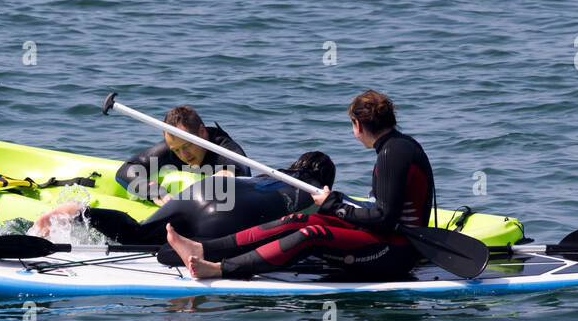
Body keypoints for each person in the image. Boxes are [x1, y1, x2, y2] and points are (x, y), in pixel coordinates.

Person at [166, 90, 435, 280]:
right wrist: (336, 202)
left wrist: (333, 206)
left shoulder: (392, 154)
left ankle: (218, 269)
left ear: (358, 125)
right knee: (295, 220)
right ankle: (203, 249)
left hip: (397, 251)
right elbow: (384, 211)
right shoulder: (399, 147)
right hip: (391, 240)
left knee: (313, 234)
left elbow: (384, 218)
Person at [33, 152, 335, 244]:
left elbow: (231, 176)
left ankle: (76, 213)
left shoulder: (274, 173)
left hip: (208, 191)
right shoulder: (316, 194)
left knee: (138, 231)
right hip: (224, 218)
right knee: (147, 244)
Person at [115, 106, 249, 201]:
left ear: (202, 131)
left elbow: (240, 165)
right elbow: (125, 170)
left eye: (188, 145)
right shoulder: (173, 148)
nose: (183, 155)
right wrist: (154, 191)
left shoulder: (222, 147)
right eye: (176, 150)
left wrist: (227, 173)